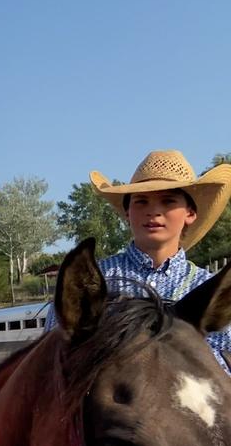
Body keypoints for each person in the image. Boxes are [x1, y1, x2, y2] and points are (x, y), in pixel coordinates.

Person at [48, 150, 231, 373]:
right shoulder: (95, 281)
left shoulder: (211, 290)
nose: (153, 211)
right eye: (141, 201)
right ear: (127, 212)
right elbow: (53, 354)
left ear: (190, 213)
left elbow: (225, 368)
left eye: (168, 201)